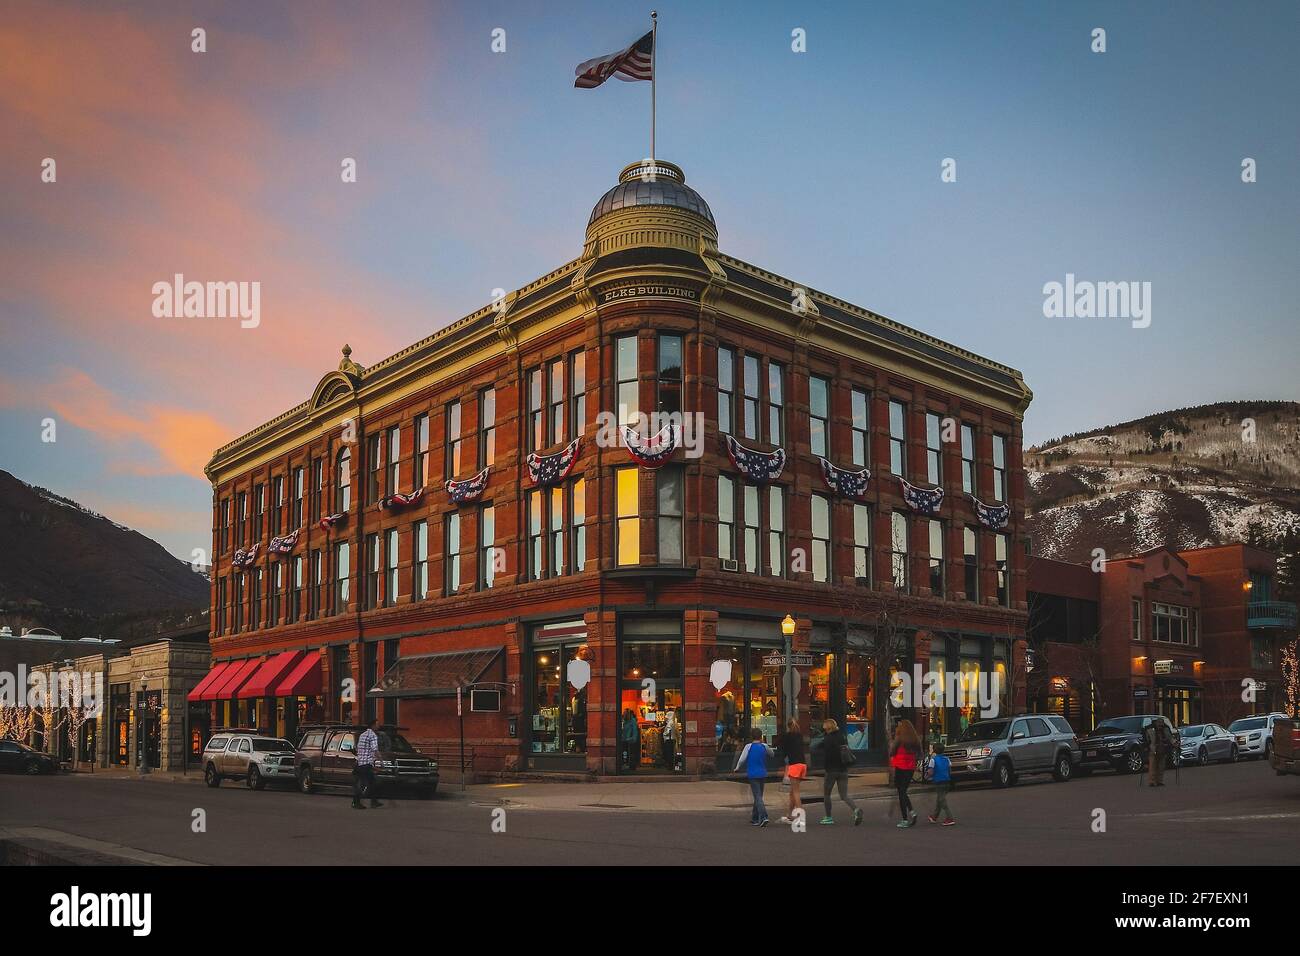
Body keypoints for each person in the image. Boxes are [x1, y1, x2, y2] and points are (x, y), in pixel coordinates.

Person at [811, 718, 862, 826]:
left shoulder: (827, 738)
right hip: (843, 769)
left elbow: (814, 747)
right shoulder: (842, 736)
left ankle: (828, 817)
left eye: (824, 728)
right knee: (844, 795)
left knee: (827, 794)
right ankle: (856, 809)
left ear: (827, 728)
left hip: (831, 770)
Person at [734, 728, 774, 826]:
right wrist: (766, 746)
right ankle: (755, 818)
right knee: (759, 795)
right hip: (762, 773)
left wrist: (737, 768)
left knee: (757, 796)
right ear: (761, 736)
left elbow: (742, 759)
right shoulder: (764, 746)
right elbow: (772, 754)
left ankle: (764, 817)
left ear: (752, 736)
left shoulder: (748, 746)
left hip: (752, 774)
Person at [890, 719, 921, 828]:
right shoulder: (915, 739)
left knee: (901, 792)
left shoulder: (899, 738)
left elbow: (892, 752)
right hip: (910, 767)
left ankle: (905, 818)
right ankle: (912, 812)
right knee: (904, 790)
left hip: (900, 766)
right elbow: (920, 754)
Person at [778, 718, 808, 824]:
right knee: (792, 792)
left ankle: (800, 816)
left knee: (795, 792)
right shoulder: (799, 736)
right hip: (802, 764)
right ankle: (790, 815)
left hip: (794, 765)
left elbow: (784, 751)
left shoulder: (787, 736)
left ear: (788, 726)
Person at [352, 717, 382, 810]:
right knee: (367, 783)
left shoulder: (362, 735)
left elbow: (358, 749)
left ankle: (373, 801)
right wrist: (380, 760)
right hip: (367, 763)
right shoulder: (372, 735)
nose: (379, 726)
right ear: (373, 725)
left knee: (369, 782)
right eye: (377, 724)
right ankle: (356, 802)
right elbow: (374, 749)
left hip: (360, 763)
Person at [927, 741, 955, 826]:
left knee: (942, 800)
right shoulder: (947, 759)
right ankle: (934, 816)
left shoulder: (933, 760)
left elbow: (931, 772)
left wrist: (928, 776)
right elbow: (950, 770)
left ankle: (950, 818)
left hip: (938, 781)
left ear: (934, 750)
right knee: (940, 798)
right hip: (947, 781)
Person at [1144, 718, 1173, 787]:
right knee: (1152, 766)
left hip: (1162, 749)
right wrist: (1146, 746)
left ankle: (1159, 781)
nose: (1160, 725)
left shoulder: (1165, 729)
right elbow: (1147, 739)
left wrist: (1174, 743)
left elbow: (1169, 737)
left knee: (1161, 766)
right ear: (1156, 723)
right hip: (1153, 750)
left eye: (1161, 723)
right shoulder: (1150, 730)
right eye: (1159, 723)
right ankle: (1152, 781)